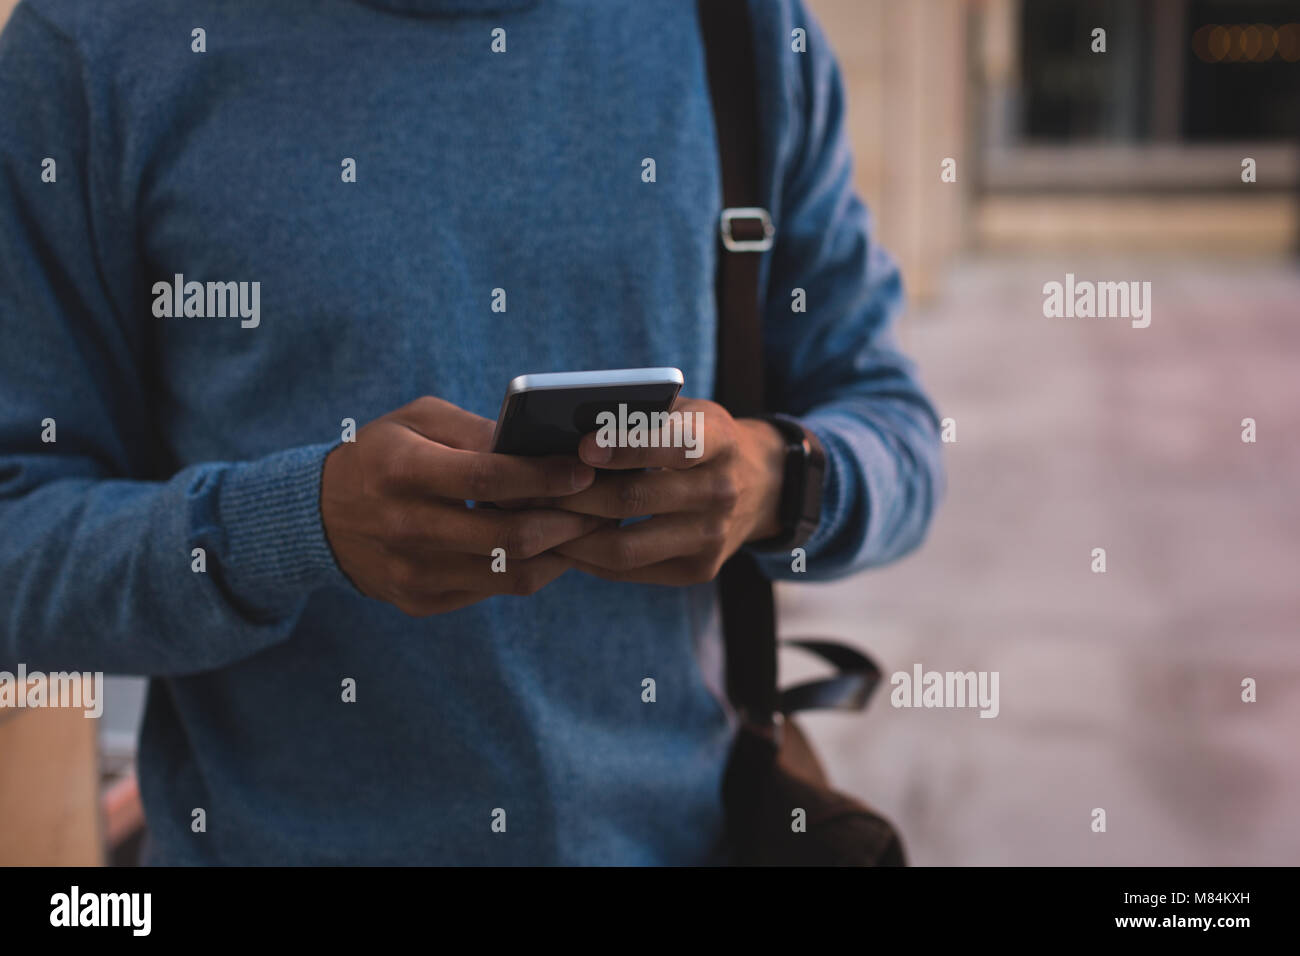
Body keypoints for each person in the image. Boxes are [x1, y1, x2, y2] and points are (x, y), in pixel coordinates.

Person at [0, 0, 943, 865]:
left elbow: (894, 424)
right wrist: (293, 529)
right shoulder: (97, 44)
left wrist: (778, 481)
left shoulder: (739, 30)